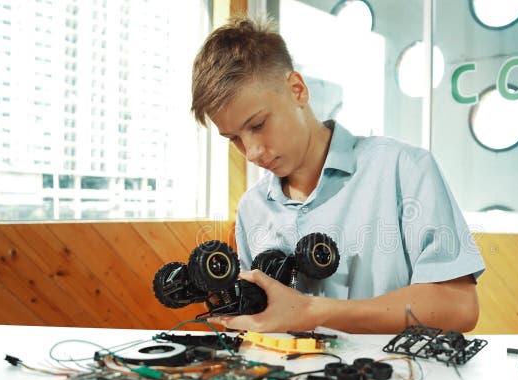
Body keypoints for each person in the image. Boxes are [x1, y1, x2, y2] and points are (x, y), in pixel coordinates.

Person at [190, 15, 484, 334]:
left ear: (297, 90)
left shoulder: (404, 170)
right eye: (234, 138)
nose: (252, 152)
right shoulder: (252, 208)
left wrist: (314, 312)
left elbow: (459, 306)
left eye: (258, 125)